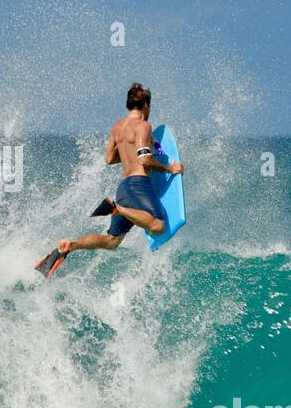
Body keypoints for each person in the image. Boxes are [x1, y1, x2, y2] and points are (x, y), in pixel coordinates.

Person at [34, 83, 182, 278]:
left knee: (112, 241)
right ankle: (115, 209)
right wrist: (169, 168)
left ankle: (70, 246)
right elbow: (144, 158)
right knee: (158, 225)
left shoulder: (117, 128)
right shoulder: (143, 126)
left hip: (123, 189)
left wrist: (157, 148)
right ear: (146, 105)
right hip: (138, 185)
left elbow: (110, 158)